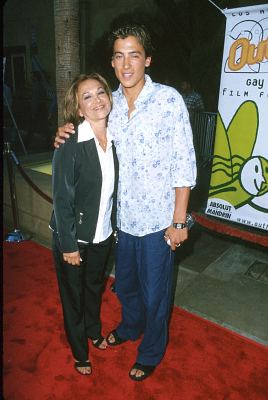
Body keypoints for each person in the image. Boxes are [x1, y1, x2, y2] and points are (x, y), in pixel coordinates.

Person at [54, 23, 196, 381]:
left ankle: (151, 351)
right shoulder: (110, 104)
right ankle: (131, 327)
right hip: (121, 222)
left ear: (147, 59)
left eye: (134, 54)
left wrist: (179, 220)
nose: (126, 63)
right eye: (119, 56)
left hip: (158, 222)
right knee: (126, 287)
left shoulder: (168, 101)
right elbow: (87, 129)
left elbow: (184, 162)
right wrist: (64, 132)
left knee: (155, 294)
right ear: (113, 63)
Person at [50, 73, 119, 376]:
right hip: (74, 237)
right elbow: (62, 199)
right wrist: (68, 246)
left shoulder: (118, 137)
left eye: (100, 92)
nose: (96, 100)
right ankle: (80, 351)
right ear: (78, 109)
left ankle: (93, 330)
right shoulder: (70, 143)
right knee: (74, 296)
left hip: (103, 234)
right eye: (87, 97)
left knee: (93, 288)